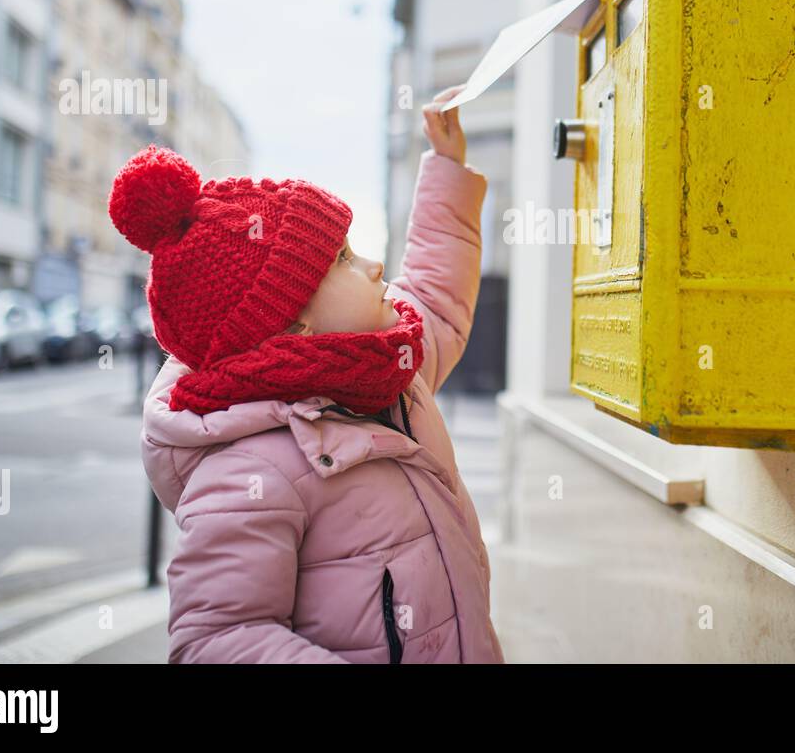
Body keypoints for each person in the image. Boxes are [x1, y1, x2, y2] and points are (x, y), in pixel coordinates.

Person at [108, 86, 504, 663]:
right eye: (342, 259)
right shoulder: (247, 470)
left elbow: (436, 298)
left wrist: (446, 170)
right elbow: (216, 641)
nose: (373, 266)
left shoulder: (390, 370)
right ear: (291, 323)